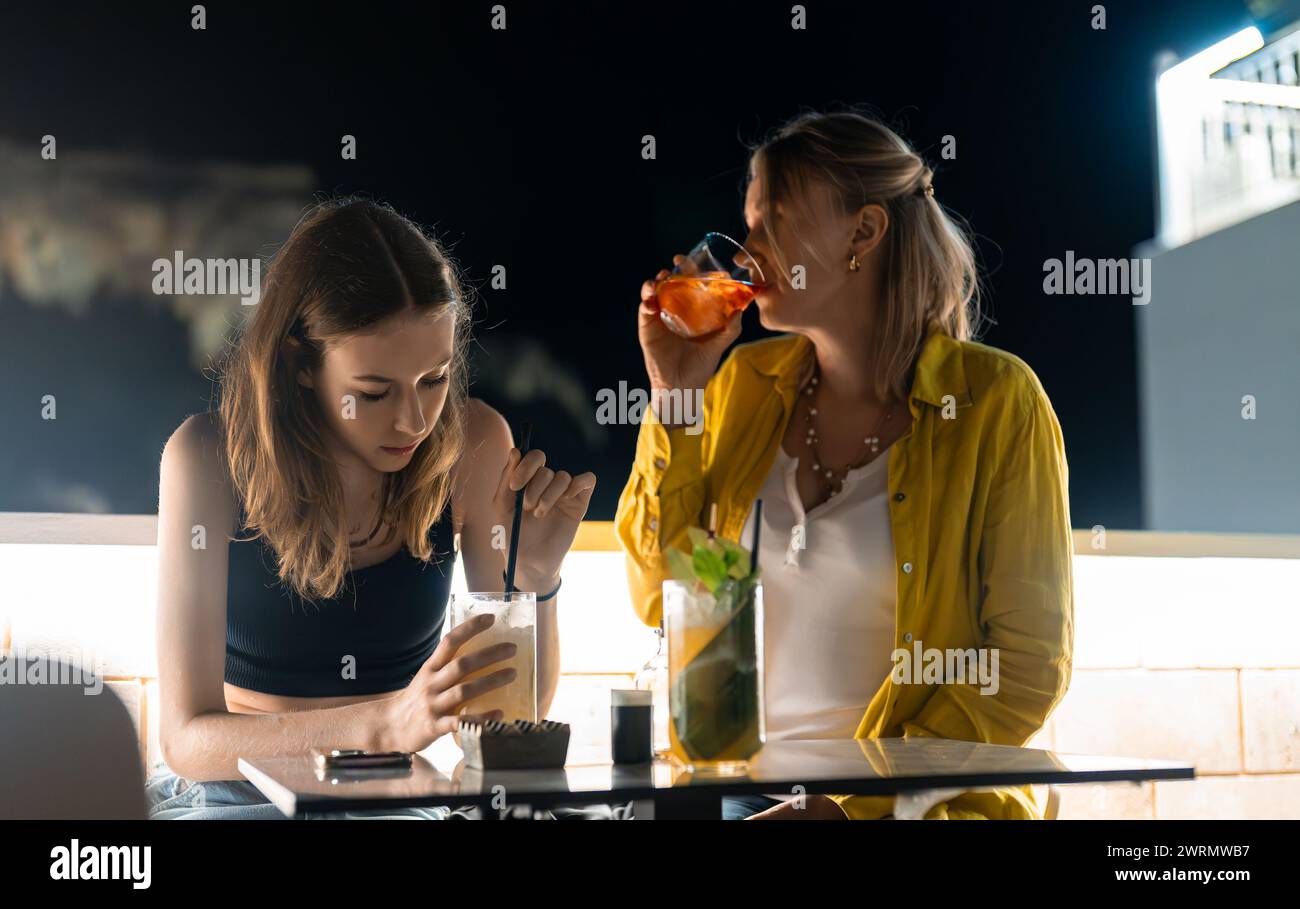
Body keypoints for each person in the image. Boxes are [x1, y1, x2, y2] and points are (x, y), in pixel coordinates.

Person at [617, 110, 1074, 820]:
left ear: (863, 233)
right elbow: (662, 594)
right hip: (740, 790)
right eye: (747, 220)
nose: (745, 249)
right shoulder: (743, 386)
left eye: (771, 220)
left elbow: (1024, 667)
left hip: (918, 807)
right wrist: (675, 397)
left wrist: (841, 810)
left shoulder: (996, 404)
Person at [149, 198, 595, 819]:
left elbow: (511, 727)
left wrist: (535, 587)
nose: (413, 420)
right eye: (374, 392)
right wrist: (385, 724)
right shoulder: (206, 458)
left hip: (396, 797)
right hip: (237, 794)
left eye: (434, 380)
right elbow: (186, 741)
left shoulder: (475, 443)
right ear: (302, 365)